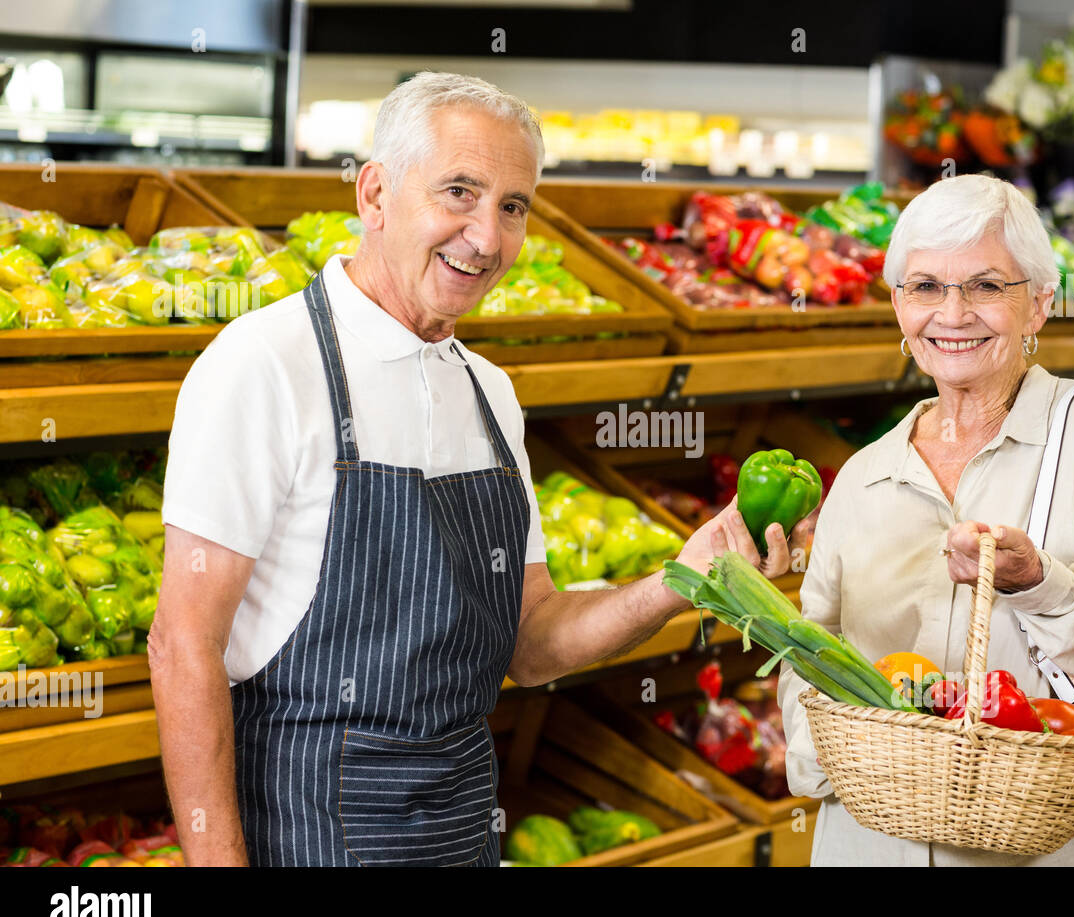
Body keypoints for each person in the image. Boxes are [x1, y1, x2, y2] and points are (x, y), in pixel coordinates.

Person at [150, 72, 805, 867]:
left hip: (461, 831)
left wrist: (687, 573)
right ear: (375, 193)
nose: (486, 239)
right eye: (458, 193)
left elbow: (531, 642)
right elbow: (184, 646)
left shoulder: (487, 392)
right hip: (305, 830)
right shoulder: (266, 365)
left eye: (512, 206)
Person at [777, 174, 1074, 866]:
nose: (953, 312)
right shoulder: (863, 475)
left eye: (984, 286)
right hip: (875, 846)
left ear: (1038, 305)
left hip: (1056, 847)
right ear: (898, 306)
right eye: (925, 287)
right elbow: (810, 649)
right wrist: (832, 768)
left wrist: (1039, 583)